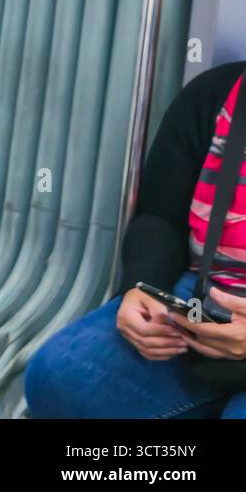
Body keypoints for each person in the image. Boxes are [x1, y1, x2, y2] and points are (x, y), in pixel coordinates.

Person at [25, 62, 246, 418]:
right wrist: (142, 287)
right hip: (206, 291)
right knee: (58, 377)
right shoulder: (213, 94)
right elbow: (160, 216)